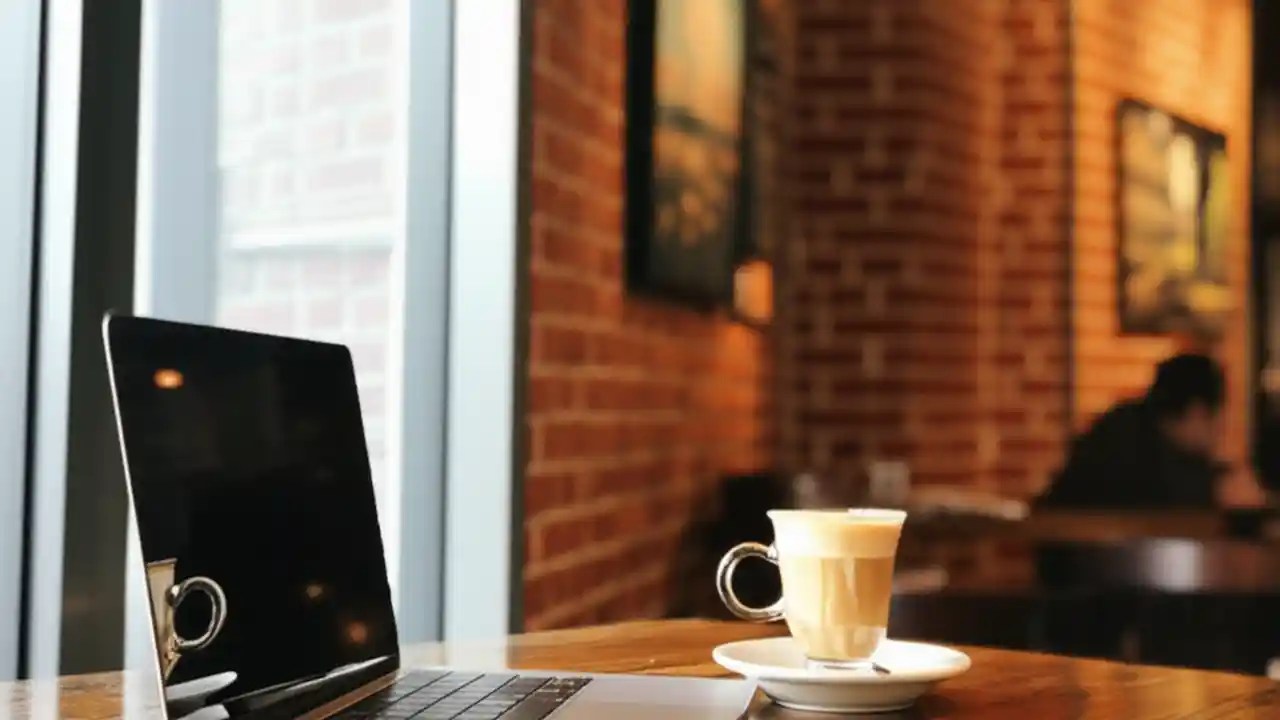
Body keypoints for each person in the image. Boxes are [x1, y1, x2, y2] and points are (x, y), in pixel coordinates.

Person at [1039, 353, 1227, 508]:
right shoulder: (1128, 446)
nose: (1220, 430)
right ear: (1197, 412)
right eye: (1218, 416)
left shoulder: (1125, 427)